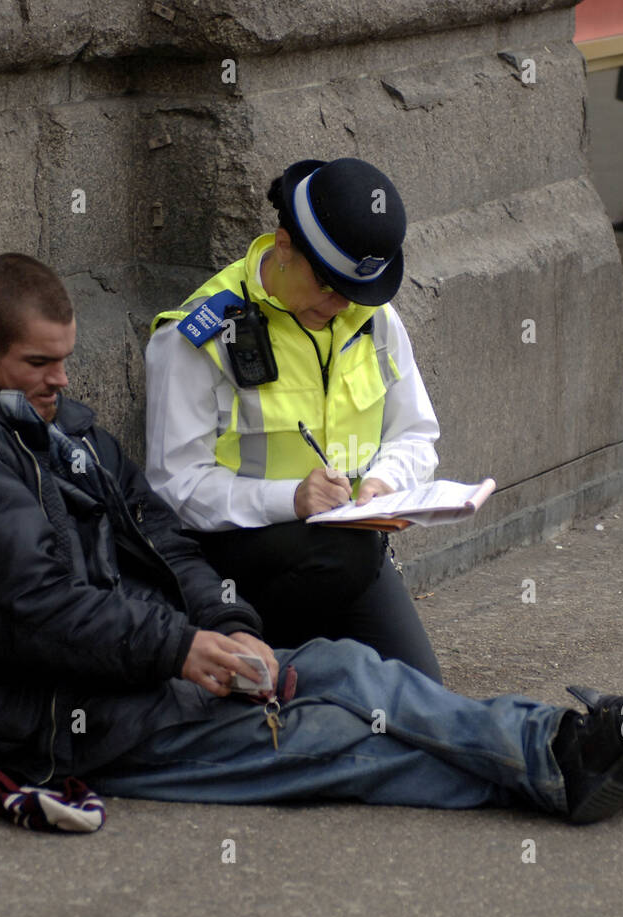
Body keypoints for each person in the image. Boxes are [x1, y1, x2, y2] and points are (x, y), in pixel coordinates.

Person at [0, 253, 623, 825]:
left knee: (347, 668)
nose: (62, 380)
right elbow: (35, 609)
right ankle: (566, 770)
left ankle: (564, 745)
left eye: (66, 360)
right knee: (329, 739)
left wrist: (225, 624)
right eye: (40, 364)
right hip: (34, 717)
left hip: (125, 667)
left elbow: (160, 536)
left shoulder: (64, 428)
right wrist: (178, 648)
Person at [144, 157, 443, 681]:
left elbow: (416, 433)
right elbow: (174, 487)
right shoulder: (200, 334)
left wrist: (384, 481)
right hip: (239, 559)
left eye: (354, 291)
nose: (340, 304)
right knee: (330, 673)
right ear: (283, 245)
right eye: (327, 284)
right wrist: (292, 499)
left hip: (348, 551)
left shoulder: (372, 318)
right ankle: (272, 659)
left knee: (423, 696)